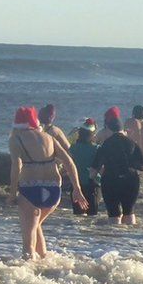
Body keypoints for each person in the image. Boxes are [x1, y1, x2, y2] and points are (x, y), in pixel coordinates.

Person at [8, 107, 87, 259]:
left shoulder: (15, 139)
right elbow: (69, 162)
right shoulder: (49, 138)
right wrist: (77, 189)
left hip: (30, 190)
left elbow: (16, 166)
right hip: (53, 191)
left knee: (27, 244)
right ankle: (44, 263)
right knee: (36, 225)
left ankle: (28, 276)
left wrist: (12, 193)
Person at [91, 116, 143, 225]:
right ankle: (129, 240)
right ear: (123, 129)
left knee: (114, 215)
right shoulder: (132, 143)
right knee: (129, 212)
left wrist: (93, 181)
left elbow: (93, 171)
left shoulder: (106, 144)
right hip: (130, 181)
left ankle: (115, 240)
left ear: (109, 129)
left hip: (110, 181)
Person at [68, 120, 99, 216]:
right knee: (92, 215)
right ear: (92, 134)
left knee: (78, 215)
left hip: (76, 184)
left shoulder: (72, 148)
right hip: (92, 185)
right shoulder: (97, 148)